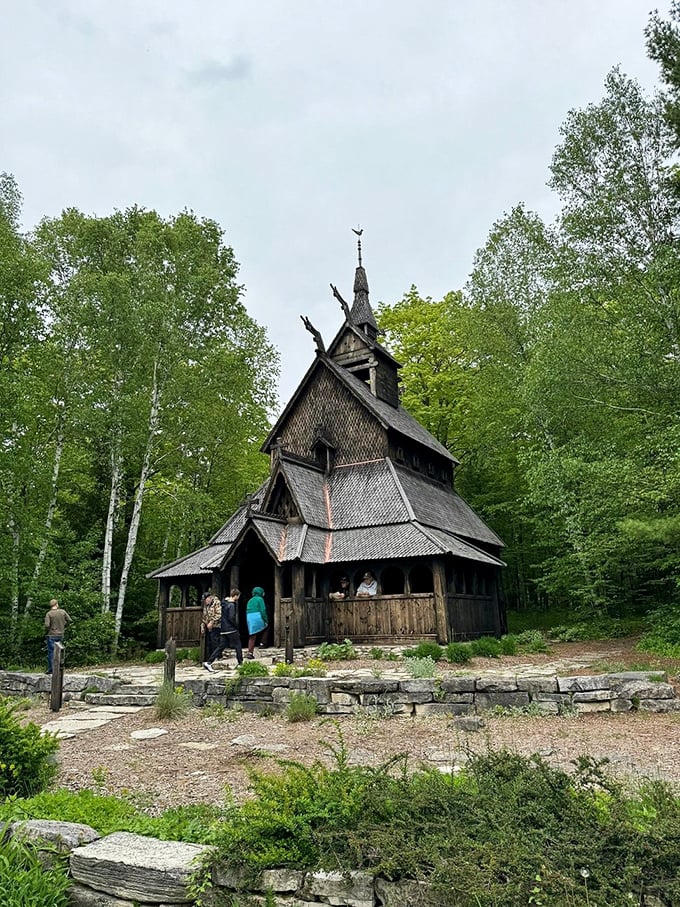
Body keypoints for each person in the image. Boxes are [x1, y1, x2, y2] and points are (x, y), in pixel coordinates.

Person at [204, 589, 242, 671]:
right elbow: (231, 617)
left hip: (223, 629)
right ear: (236, 595)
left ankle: (209, 662)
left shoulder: (223, 603)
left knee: (221, 646)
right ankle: (240, 663)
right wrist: (236, 626)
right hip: (231, 629)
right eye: (238, 596)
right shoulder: (231, 605)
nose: (238, 598)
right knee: (238, 645)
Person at [44, 598, 71, 674]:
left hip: (51, 635)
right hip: (60, 634)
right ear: (57, 604)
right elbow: (69, 620)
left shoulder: (49, 614)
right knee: (59, 651)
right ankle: (59, 669)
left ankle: (51, 669)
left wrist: (47, 630)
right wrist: (64, 625)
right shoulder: (62, 612)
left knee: (51, 652)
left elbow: (47, 625)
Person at [245, 586, 268, 658]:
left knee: (252, 636)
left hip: (249, 617)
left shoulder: (250, 600)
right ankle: (262, 643)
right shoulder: (260, 599)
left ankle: (250, 652)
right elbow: (263, 610)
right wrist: (266, 620)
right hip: (257, 616)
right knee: (266, 627)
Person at [200, 591, 221, 661]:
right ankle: (210, 658)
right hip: (208, 627)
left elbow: (219, 614)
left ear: (209, 598)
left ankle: (217, 657)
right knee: (209, 643)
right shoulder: (206, 605)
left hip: (216, 625)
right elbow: (204, 617)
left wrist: (212, 622)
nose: (205, 602)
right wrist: (202, 626)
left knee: (215, 641)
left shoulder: (216, 602)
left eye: (205, 600)